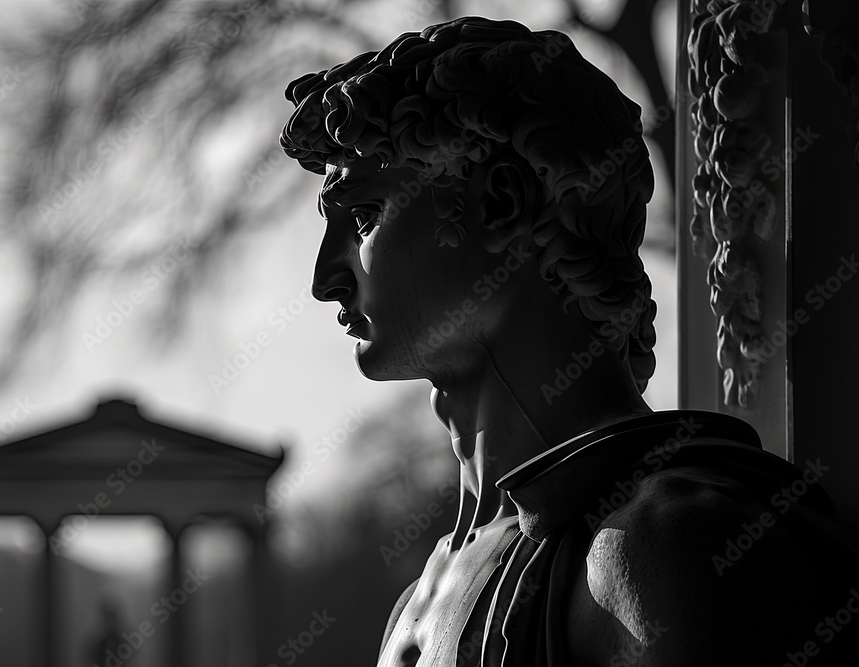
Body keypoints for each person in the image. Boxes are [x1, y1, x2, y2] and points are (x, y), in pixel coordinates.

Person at [279, 16, 859, 666]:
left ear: (500, 203)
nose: (324, 281)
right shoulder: (425, 585)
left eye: (362, 216)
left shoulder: (665, 546)